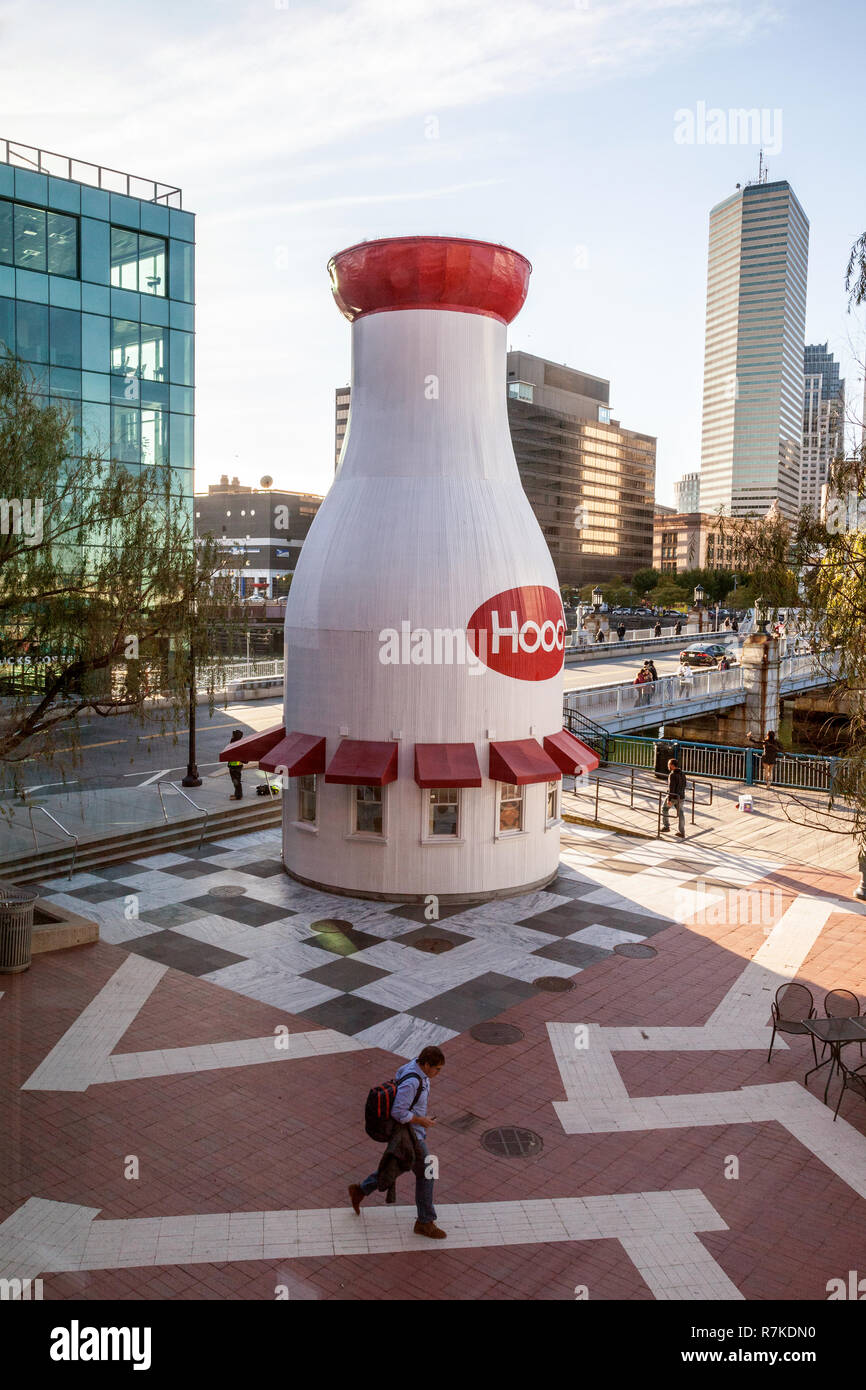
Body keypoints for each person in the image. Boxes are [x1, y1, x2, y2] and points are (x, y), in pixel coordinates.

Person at [349, 1046, 446, 1239]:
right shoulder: (412, 1082)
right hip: (410, 1134)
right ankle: (425, 1221)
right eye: (437, 1069)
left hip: (413, 1132)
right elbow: (398, 1112)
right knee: (427, 1173)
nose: (438, 1073)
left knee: (397, 1166)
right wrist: (422, 1120)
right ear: (426, 1064)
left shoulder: (412, 1067)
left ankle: (361, 1189)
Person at [661, 758, 687, 838]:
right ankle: (682, 832)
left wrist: (669, 799)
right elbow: (685, 784)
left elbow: (671, 788)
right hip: (681, 797)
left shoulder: (672, 775)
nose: (668, 766)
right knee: (681, 813)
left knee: (664, 808)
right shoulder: (682, 773)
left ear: (672, 765)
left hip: (673, 797)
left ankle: (666, 827)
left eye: (669, 764)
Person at [226, 729, 245, 800]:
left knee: (236, 781)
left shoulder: (235, 744)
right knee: (235, 781)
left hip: (235, 767)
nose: (232, 736)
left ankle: (238, 796)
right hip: (234, 766)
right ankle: (236, 794)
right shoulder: (236, 743)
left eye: (233, 735)